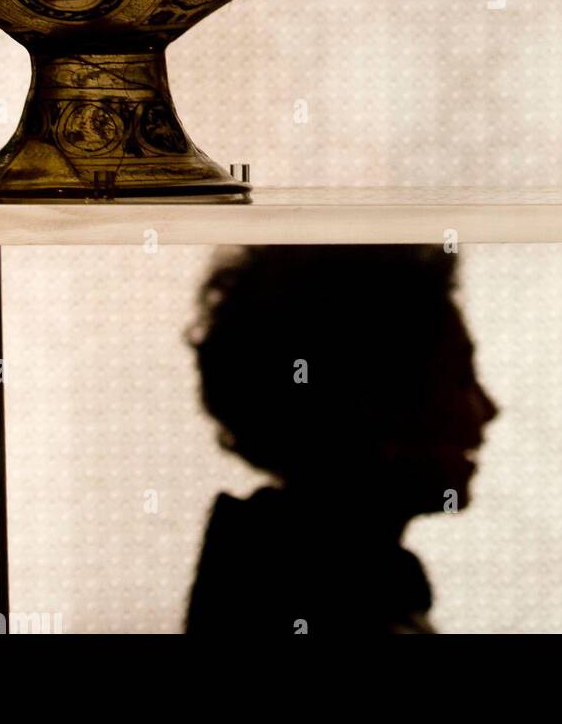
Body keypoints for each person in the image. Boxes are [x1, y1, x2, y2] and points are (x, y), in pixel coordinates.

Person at [186, 244, 498, 634]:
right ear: (373, 403)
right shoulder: (344, 609)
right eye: (460, 378)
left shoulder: (253, 582)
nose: (489, 410)